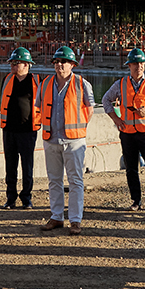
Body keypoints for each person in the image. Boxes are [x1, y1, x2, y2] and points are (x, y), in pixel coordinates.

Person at [102, 47, 145, 212]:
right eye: (135, 64)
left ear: (144, 65)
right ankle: (136, 201)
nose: (139, 66)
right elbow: (106, 100)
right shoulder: (120, 84)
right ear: (129, 66)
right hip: (127, 134)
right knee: (131, 169)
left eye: (141, 63)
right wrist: (116, 119)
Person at [37, 44, 94, 235]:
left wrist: (79, 128)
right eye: (56, 62)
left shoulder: (82, 84)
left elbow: (90, 109)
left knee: (75, 180)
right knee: (54, 180)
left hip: (74, 141)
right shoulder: (45, 83)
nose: (59, 65)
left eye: (63, 62)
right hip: (51, 138)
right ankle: (57, 217)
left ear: (72, 65)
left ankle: (75, 220)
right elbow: (39, 106)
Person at [0, 47, 42, 209]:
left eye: (15, 63)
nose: (12, 65)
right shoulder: (7, 79)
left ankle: (26, 198)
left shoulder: (37, 81)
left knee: (27, 166)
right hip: (9, 130)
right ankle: (10, 198)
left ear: (26, 64)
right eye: (11, 62)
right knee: (10, 166)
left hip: (28, 131)